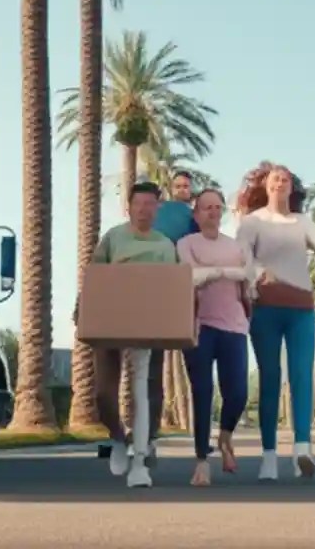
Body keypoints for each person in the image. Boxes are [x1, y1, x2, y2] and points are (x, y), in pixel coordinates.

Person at [234, 162, 315, 481]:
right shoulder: (251, 222)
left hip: (301, 307)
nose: (281, 182)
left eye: (286, 179)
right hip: (265, 308)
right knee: (270, 379)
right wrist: (256, 278)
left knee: (302, 375)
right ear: (265, 185)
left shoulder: (302, 221)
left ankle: (303, 449)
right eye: (276, 178)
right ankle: (268, 457)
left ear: (292, 188)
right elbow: (242, 260)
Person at [84, 181, 174, 487]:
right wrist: (82, 308)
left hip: (149, 322)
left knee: (146, 391)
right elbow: (95, 274)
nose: (144, 209)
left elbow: (171, 286)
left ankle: (140, 460)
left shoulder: (164, 246)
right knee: (104, 393)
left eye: (150, 204)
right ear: (129, 206)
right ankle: (118, 438)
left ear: (157, 208)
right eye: (139, 204)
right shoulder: (114, 237)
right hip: (111, 318)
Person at [175, 188, 253, 487]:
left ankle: (226, 436)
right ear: (196, 214)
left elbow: (248, 279)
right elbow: (191, 276)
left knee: (238, 394)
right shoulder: (185, 244)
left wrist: (221, 272)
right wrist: (226, 271)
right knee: (202, 392)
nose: (213, 212)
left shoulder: (236, 247)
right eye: (207, 207)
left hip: (233, 325)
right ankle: (201, 460)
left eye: (218, 207)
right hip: (198, 327)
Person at [153, 170, 200, 244]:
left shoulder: (196, 217)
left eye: (185, 186)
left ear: (191, 189)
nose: (181, 190)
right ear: (172, 189)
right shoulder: (158, 209)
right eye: (178, 186)